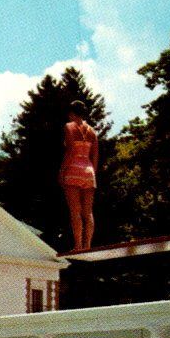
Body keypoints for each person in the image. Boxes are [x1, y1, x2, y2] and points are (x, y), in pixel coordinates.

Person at [60, 100, 99, 251]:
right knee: (88, 211)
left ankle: (78, 245)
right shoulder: (92, 131)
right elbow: (95, 155)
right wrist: (92, 173)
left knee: (75, 210)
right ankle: (88, 245)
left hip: (73, 169)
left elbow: (70, 151)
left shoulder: (69, 127)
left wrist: (62, 171)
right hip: (88, 170)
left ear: (72, 113)